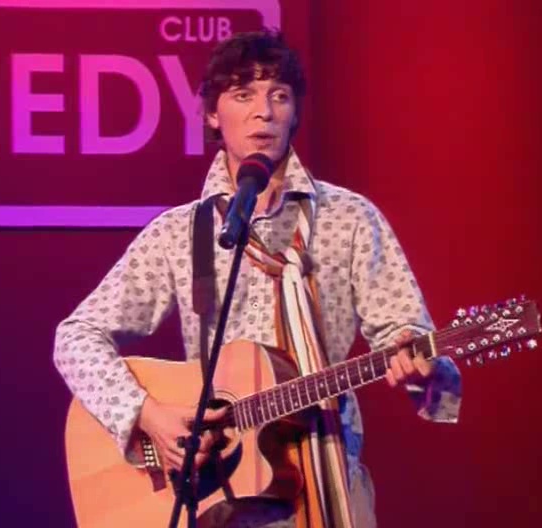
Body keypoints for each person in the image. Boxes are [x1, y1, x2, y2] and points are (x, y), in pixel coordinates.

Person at [54, 30, 461, 528]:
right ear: (212, 115)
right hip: (218, 497)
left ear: (294, 112)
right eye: (243, 94)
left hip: (330, 480)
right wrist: (146, 414)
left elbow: (407, 332)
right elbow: (75, 338)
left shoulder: (351, 218)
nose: (263, 112)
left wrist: (417, 361)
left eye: (279, 95)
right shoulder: (179, 233)